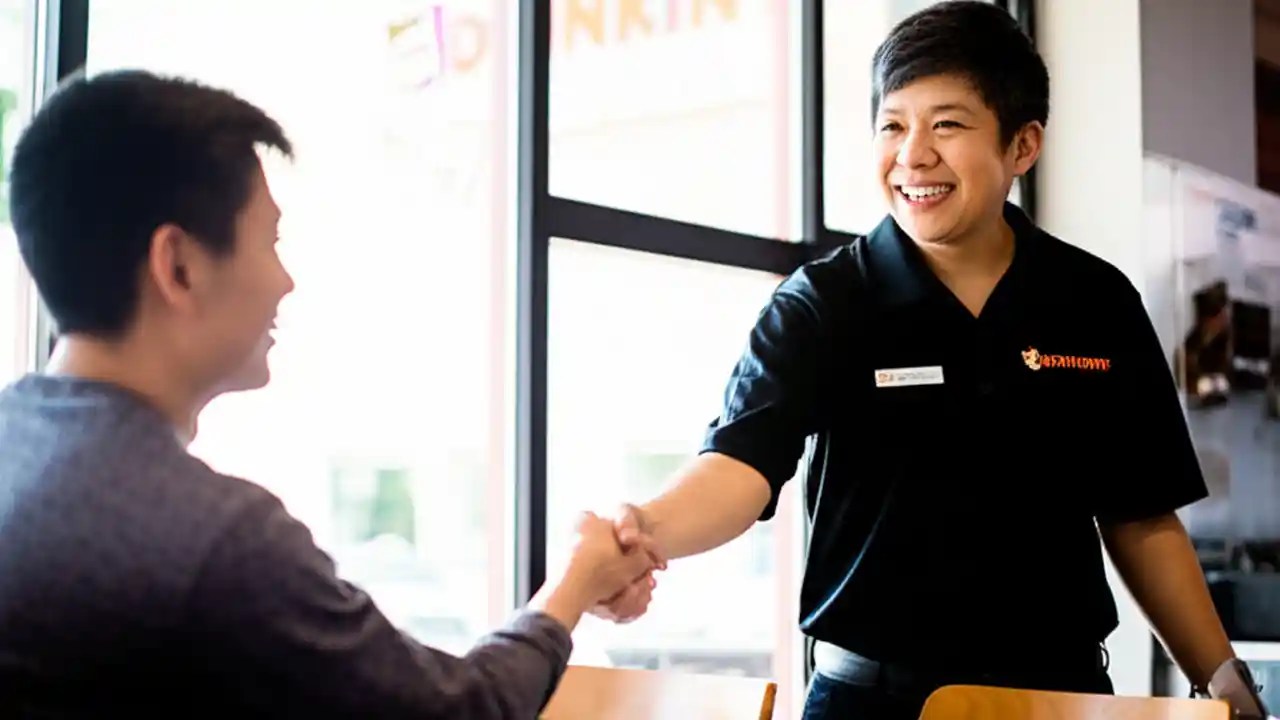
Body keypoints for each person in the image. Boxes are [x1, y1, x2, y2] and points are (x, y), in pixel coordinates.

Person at [590, 3, 1270, 719]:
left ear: (1023, 145)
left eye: (946, 124)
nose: (912, 154)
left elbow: (1140, 517)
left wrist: (1222, 679)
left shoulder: (1094, 301)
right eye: (893, 125)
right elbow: (739, 469)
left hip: (1058, 701)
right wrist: (646, 528)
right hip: (870, 702)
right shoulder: (825, 302)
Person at [0, 70, 656, 718]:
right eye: (270, 242)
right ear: (179, 266)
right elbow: (462, 713)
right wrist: (574, 586)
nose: (284, 282)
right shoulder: (216, 541)